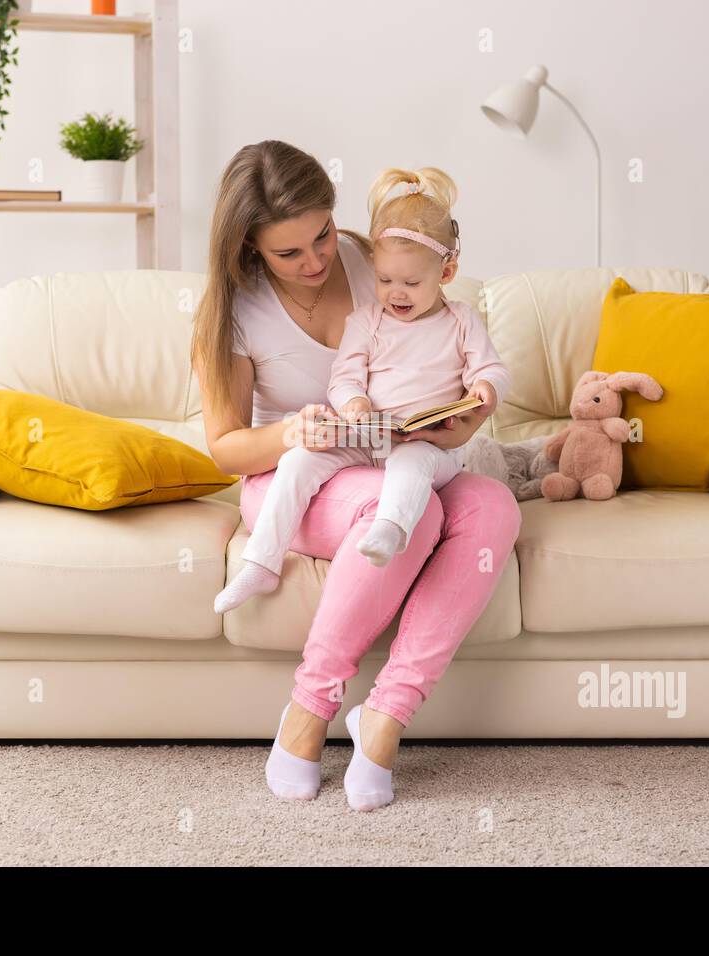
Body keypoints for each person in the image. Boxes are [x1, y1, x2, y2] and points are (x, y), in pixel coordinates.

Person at [191, 141, 522, 811]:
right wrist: (296, 432)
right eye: (290, 253)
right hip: (298, 473)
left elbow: (452, 358)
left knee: (493, 508)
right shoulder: (237, 310)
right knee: (409, 513)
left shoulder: (379, 258)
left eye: (321, 234)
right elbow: (225, 447)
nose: (316, 260)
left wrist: (462, 423)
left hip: (395, 453)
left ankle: (385, 716)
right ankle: (309, 710)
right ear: (250, 246)